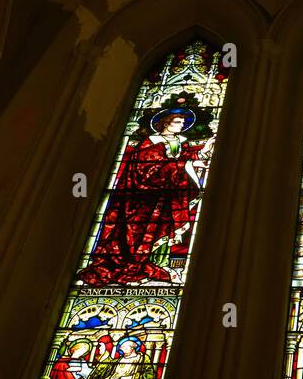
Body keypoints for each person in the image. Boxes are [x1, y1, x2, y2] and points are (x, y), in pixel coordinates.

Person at [78, 106, 214, 286]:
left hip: (165, 197)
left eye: (182, 123)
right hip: (141, 199)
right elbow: (147, 169)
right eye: (177, 122)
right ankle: (129, 265)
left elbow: (187, 156)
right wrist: (184, 165)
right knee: (135, 233)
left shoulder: (181, 142)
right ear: (166, 123)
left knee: (158, 231)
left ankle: (154, 263)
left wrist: (204, 151)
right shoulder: (150, 142)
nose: (181, 126)